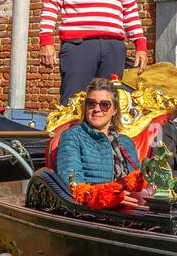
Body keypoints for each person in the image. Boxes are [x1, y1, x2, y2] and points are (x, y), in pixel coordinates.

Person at [55, 78, 142, 206]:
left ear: (115, 110)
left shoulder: (125, 142)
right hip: (91, 213)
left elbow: (138, 180)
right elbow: (72, 185)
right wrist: (109, 197)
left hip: (131, 208)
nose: (97, 109)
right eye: (91, 103)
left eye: (104, 104)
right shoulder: (72, 136)